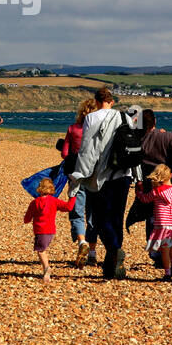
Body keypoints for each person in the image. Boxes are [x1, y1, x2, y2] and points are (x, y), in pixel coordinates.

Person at [71, 88, 133, 279]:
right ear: (111, 101)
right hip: (124, 174)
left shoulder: (92, 118)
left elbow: (88, 149)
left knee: (99, 219)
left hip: (102, 176)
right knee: (116, 219)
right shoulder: (126, 118)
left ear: (96, 101)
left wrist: (80, 175)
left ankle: (114, 250)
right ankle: (111, 266)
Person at [22, 177, 77, 283]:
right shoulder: (54, 201)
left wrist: (27, 219)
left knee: (41, 251)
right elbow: (68, 207)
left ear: (40, 189)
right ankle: (46, 268)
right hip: (51, 231)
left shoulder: (35, 202)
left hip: (40, 231)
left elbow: (27, 218)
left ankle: (46, 268)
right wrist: (73, 197)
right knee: (43, 249)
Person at [62, 99, 97, 264]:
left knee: (77, 210)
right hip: (94, 174)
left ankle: (82, 241)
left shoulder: (73, 129)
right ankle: (92, 252)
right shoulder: (98, 129)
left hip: (76, 174)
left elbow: (64, 153)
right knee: (92, 212)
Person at [143, 163, 172, 281]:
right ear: (170, 175)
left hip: (162, 223)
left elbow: (145, 199)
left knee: (164, 248)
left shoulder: (156, 191)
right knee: (170, 244)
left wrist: (139, 192)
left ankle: (167, 273)